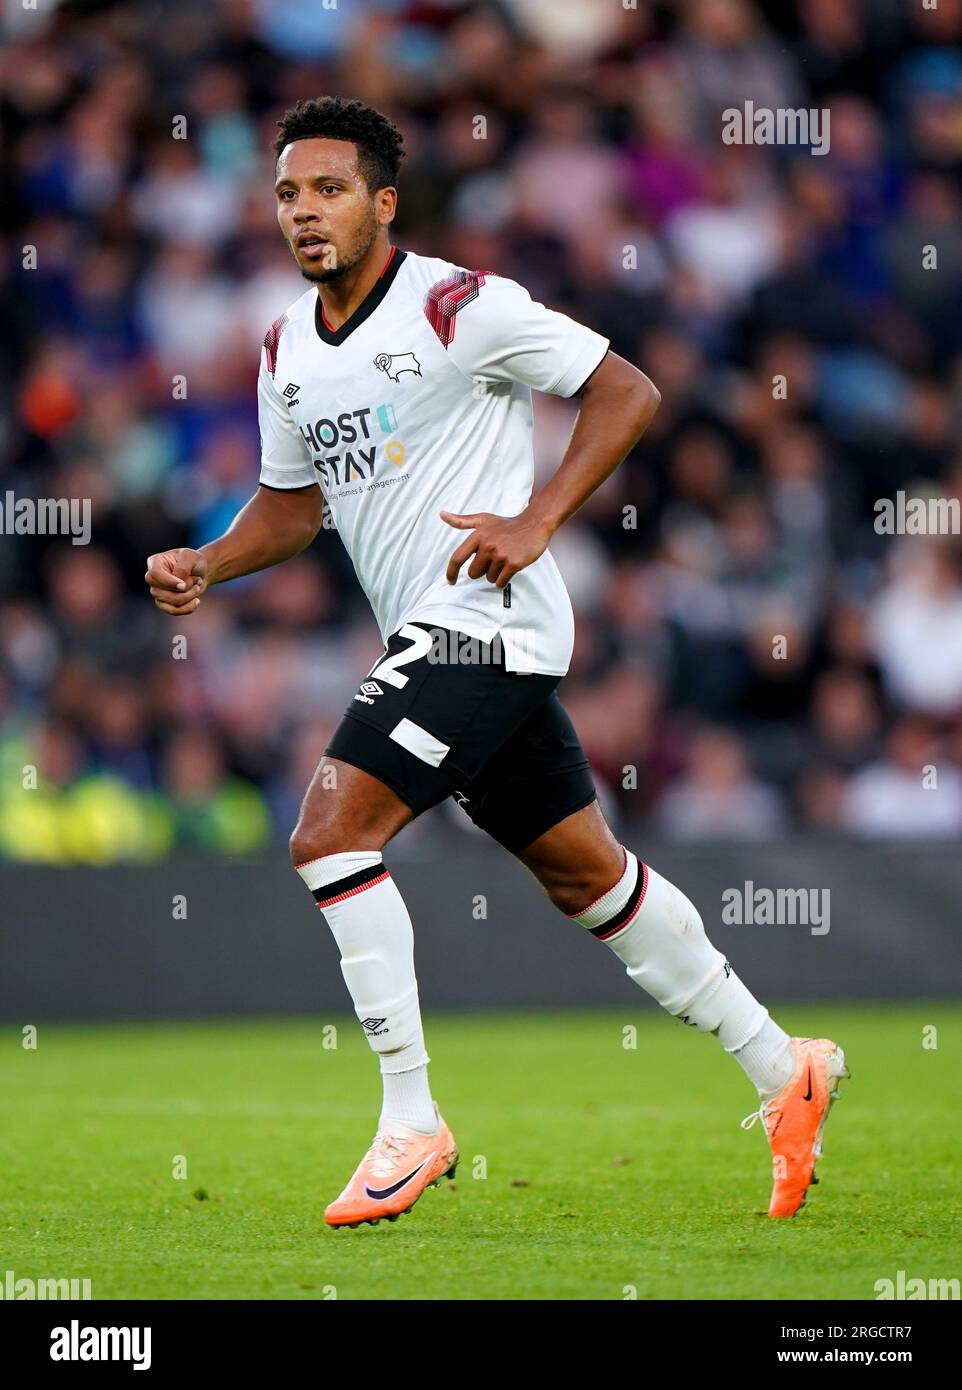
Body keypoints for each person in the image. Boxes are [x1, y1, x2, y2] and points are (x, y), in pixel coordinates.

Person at [145, 96, 848, 1228]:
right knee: (589, 878)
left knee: (329, 833)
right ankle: (783, 1067)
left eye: (327, 190)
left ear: (381, 202)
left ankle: (409, 1119)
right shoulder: (283, 347)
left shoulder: (458, 305)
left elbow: (627, 389)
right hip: (441, 639)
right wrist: (209, 563)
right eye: (286, 194)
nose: (303, 212)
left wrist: (535, 519)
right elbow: (291, 508)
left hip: (488, 619)